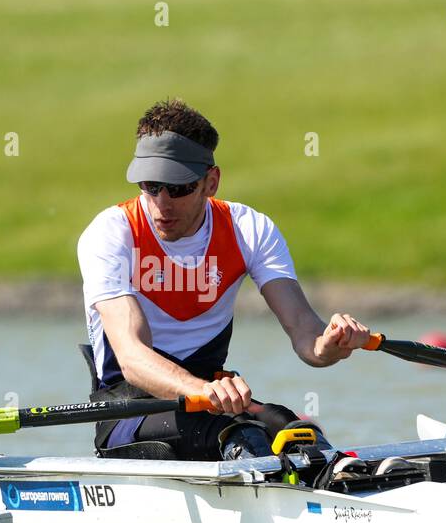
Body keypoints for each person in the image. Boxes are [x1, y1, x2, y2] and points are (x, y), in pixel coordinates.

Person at [76, 98, 373, 461]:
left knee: (297, 433)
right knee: (239, 434)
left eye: (179, 187)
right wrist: (202, 390)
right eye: (150, 185)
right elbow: (133, 358)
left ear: (210, 182)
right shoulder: (112, 233)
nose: (161, 203)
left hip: (216, 405)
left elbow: (305, 333)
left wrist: (330, 344)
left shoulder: (249, 229)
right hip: (128, 412)